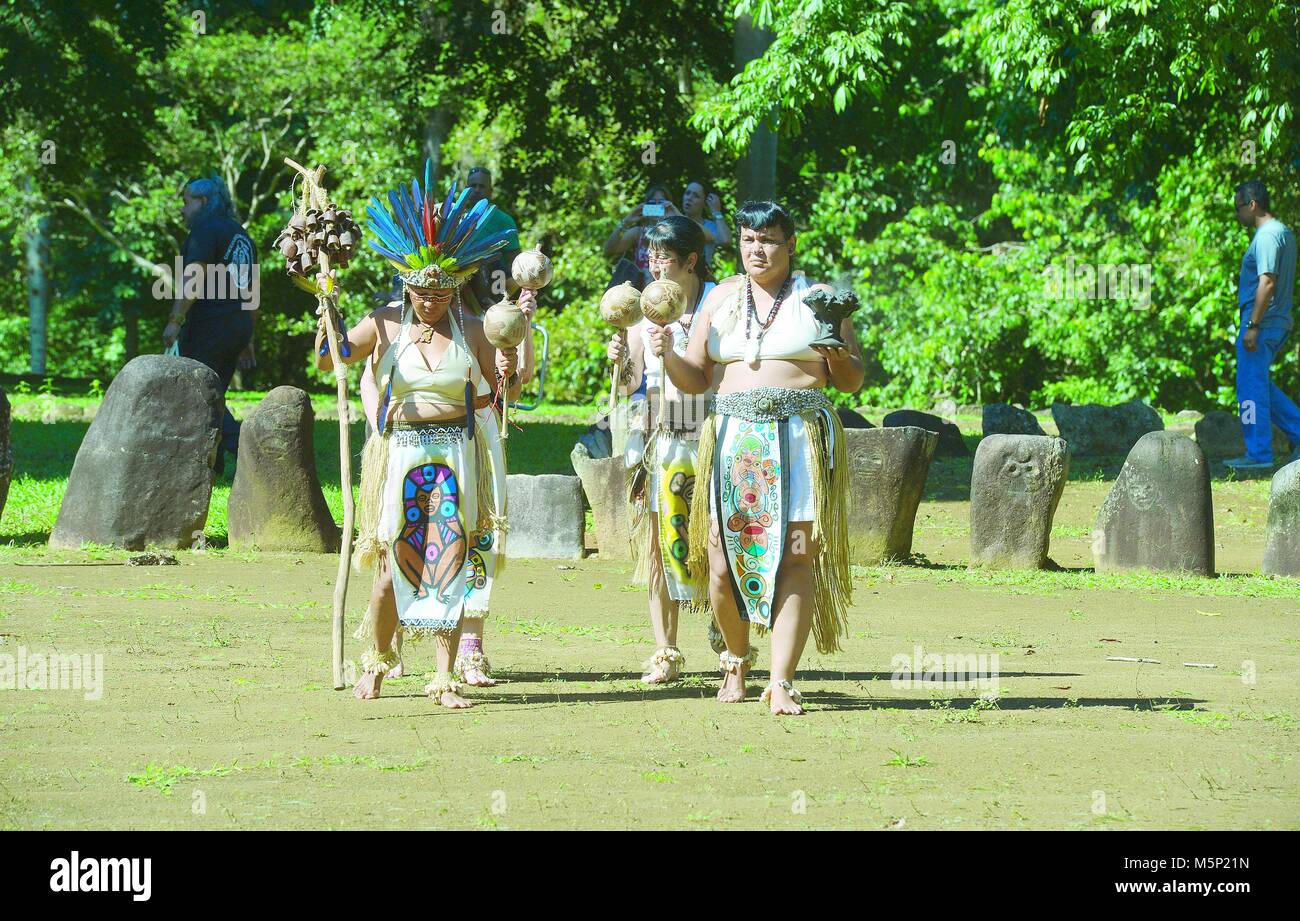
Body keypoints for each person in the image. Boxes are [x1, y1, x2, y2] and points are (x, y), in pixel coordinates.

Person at [320, 164, 520, 709]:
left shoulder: (474, 330)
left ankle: (444, 675)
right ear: (407, 285)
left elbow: (493, 400)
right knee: (390, 570)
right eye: (422, 292)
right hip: (401, 451)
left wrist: (508, 369)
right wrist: (326, 305)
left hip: (456, 449)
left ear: (455, 287)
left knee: (451, 559)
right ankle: (379, 663)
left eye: (441, 292)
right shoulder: (383, 323)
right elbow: (332, 358)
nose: (431, 301)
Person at [660, 200, 865, 715]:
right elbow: (695, 378)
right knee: (720, 556)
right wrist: (665, 353)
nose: (758, 249)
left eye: (769, 239)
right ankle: (734, 658)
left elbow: (852, 380)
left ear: (790, 244)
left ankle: (782, 681)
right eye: (749, 240)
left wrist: (838, 356)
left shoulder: (818, 298)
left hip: (798, 437)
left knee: (796, 551)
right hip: (731, 439)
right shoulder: (721, 299)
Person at [607, 216, 723, 683]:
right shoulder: (642, 314)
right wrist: (620, 359)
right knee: (657, 544)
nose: (654, 265)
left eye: (664, 257)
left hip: (713, 433)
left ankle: (726, 631)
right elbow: (634, 384)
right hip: (660, 436)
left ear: (691, 261)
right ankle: (666, 651)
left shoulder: (718, 306)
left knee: (719, 539)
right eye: (649, 256)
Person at [163, 175, 257, 474]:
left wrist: (176, 319)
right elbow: (253, 289)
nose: (182, 210)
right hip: (236, 325)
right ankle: (211, 465)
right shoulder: (240, 234)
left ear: (202, 201)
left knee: (198, 393)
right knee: (212, 394)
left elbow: (194, 277)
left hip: (210, 324)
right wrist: (247, 337)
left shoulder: (205, 231)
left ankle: (249, 449)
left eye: (186, 202)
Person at [1226, 180, 1300, 470]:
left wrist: (1253, 325)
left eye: (1238, 208)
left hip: (1263, 323)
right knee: (1259, 386)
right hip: (1275, 322)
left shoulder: (1268, 235)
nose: (1237, 214)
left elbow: (1267, 281)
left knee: (1249, 389)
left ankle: (1257, 454)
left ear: (1252, 204)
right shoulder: (1281, 232)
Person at [604, 183, 680, 288]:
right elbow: (609, 249)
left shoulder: (675, 233)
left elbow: (695, 236)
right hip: (640, 292)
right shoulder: (638, 233)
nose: (657, 206)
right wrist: (626, 221)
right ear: (646, 205)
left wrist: (677, 217)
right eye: (653, 202)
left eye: (661, 202)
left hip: (668, 290)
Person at [464, 167, 522, 303]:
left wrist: (511, 285)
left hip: (494, 276)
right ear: (466, 189)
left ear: (490, 191)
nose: (477, 190)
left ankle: (488, 307)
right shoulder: (456, 216)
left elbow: (514, 258)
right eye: (473, 186)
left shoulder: (504, 220)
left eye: (482, 186)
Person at [682, 181, 730, 268]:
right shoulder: (671, 221)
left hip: (701, 278)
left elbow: (725, 241)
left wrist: (716, 211)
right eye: (687, 193)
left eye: (696, 196)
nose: (689, 198)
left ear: (705, 203)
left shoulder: (710, 226)